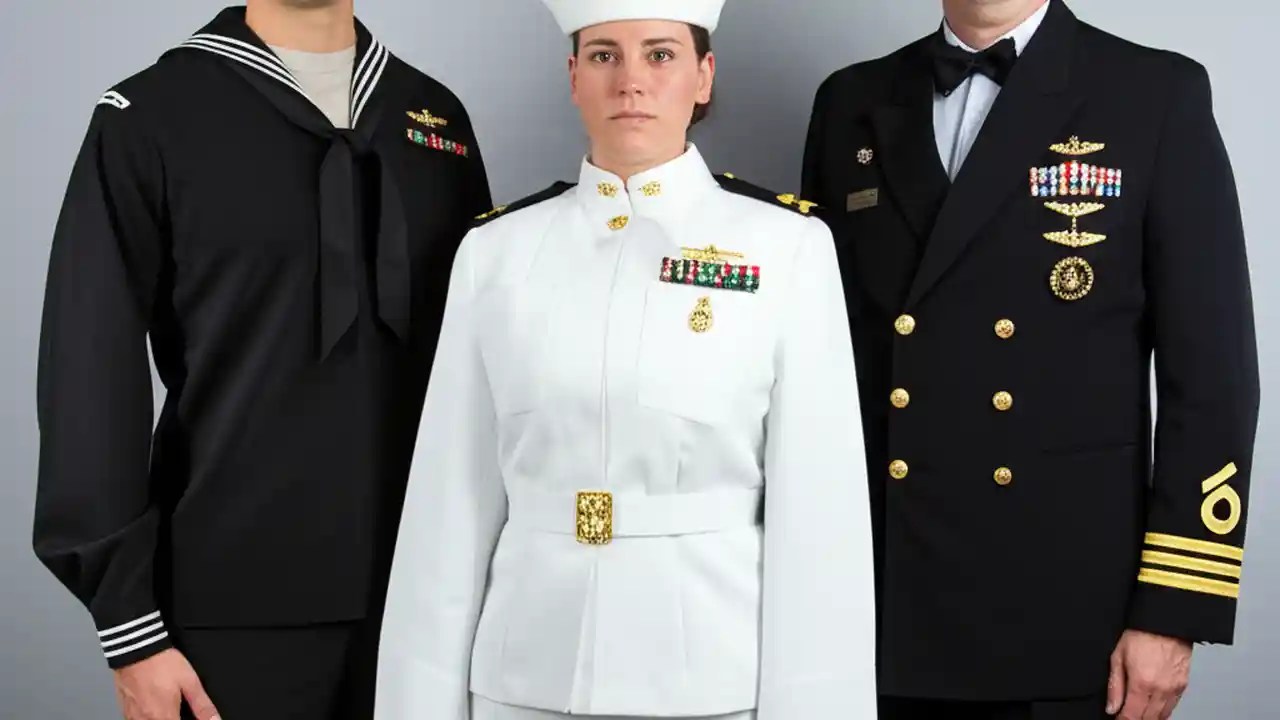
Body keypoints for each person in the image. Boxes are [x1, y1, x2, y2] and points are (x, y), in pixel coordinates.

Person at [375, 1, 877, 718]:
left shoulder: (786, 250)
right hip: (525, 681)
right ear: (573, 76)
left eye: (661, 54)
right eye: (605, 54)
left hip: (710, 685)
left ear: (704, 76)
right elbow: (447, 506)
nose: (631, 81)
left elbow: (820, 522)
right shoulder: (496, 255)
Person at [802, 0, 1259, 718]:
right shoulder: (850, 101)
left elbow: (1213, 377)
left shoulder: (1153, 91)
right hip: (878, 607)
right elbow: (816, 363)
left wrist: (1176, 605)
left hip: (1068, 612)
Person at [33, 0, 491, 717]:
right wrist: (130, 629)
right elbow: (88, 371)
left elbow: (485, 372)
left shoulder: (433, 118)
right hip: (231, 603)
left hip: (428, 599)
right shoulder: (151, 114)